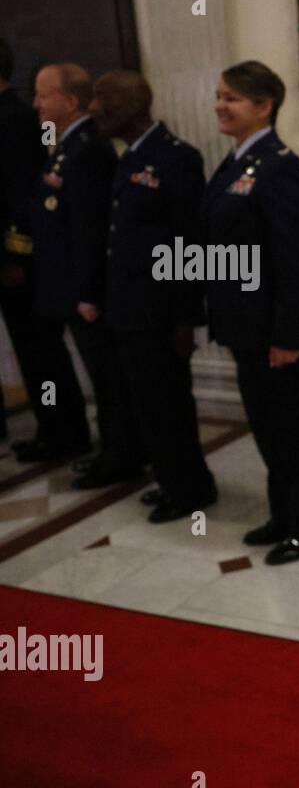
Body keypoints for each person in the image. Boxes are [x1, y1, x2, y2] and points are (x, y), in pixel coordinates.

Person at [201, 60, 299, 564]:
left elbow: (294, 260)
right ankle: (285, 514)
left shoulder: (279, 166)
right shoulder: (235, 163)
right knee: (268, 428)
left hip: (278, 330)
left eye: (232, 97)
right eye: (219, 94)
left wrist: (288, 333)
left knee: (293, 431)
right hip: (245, 325)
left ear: (264, 106)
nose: (220, 105)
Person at [89, 70, 216, 520]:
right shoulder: (128, 158)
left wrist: (186, 317)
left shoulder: (176, 158)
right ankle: (171, 480)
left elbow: (189, 241)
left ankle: (189, 490)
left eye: (102, 101)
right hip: (129, 308)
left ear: (130, 107)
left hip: (160, 311)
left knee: (168, 406)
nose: (93, 110)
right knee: (146, 403)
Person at [22, 63, 140, 468]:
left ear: (71, 102)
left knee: (108, 376)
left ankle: (121, 453)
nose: (35, 103)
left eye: (43, 94)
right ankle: (114, 448)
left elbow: (89, 230)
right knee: (100, 373)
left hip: (84, 286)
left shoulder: (87, 148)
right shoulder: (66, 145)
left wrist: (88, 292)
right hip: (65, 283)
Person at [0, 37, 47, 445]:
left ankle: (57, 430)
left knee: (36, 347)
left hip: (15, 257)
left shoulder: (13, 117)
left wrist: (13, 256)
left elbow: (17, 195)